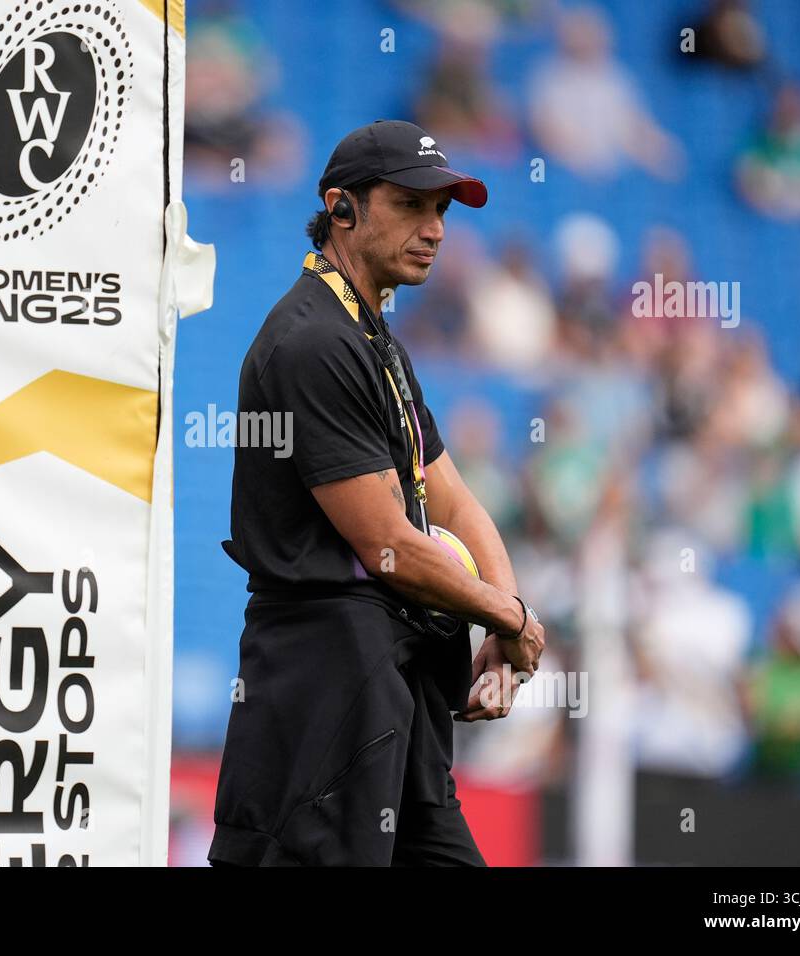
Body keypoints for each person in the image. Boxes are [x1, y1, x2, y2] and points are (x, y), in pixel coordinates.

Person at [208, 120, 546, 866]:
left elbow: (451, 497)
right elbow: (388, 546)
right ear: (341, 208)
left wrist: (503, 628)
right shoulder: (312, 341)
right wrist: (508, 616)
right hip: (322, 691)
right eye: (411, 206)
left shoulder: (373, 338)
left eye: (442, 212)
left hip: (393, 689)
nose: (433, 230)